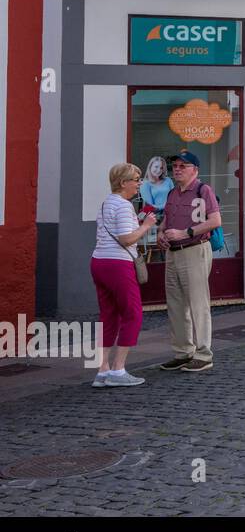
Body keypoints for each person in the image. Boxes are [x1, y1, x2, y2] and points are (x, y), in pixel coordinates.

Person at [91, 163, 156, 387]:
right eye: (136, 179)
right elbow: (126, 239)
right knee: (133, 314)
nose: (139, 183)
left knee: (108, 316)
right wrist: (146, 225)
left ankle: (102, 370)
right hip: (118, 264)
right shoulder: (123, 205)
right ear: (122, 183)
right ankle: (118, 370)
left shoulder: (106, 203)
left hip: (99, 261)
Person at [156, 152, 221, 373]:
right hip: (173, 253)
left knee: (198, 304)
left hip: (194, 250)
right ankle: (183, 352)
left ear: (195, 169)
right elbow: (166, 219)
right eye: (175, 165)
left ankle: (204, 354)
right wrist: (161, 233)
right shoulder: (173, 193)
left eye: (183, 166)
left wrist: (186, 233)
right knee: (175, 305)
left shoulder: (203, 191)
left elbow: (215, 221)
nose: (177, 169)